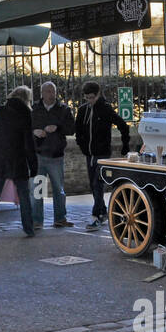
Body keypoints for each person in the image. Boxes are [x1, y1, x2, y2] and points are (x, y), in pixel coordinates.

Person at [0, 85, 39, 239]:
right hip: (18, 159)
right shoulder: (25, 113)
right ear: (26, 99)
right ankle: (28, 228)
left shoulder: (1, 109)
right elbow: (28, 142)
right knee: (24, 194)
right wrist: (33, 165)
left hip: (0, 159)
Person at [75, 81, 131, 231]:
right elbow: (78, 130)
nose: (90, 101)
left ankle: (97, 215)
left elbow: (123, 126)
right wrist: (81, 145)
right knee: (93, 185)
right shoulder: (82, 110)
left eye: (92, 97)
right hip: (89, 153)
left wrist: (125, 145)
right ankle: (102, 211)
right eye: (87, 98)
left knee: (97, 183)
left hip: (102, 153)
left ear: (98, 94)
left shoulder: (105, 109)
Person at [31, 81, 75, 228]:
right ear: (42, 93)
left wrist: (58, 127)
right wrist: (34, 132)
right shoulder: (34, 109)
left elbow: (71, 129)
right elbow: (25, 129)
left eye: (53, 92)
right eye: (48, 92)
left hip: (56, 155)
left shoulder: (63, 109)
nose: (51, 95)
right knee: (38, 190)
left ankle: (60, 218)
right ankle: (37, 220)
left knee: (59, 189)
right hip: (38, 155)